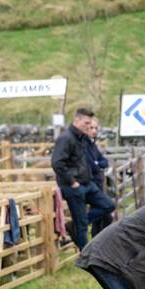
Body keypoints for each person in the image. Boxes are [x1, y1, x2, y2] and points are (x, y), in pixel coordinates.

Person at [50, 107, 115, 251]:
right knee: (82, 225)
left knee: (108, 205)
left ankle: (77, 225)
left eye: (90, 123)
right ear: (76, 120)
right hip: (72, 185)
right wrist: (72, 182)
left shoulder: (83, 139)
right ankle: (85, 254)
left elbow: (92, 159)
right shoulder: (65, 138)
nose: (88, 126)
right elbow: (57, 163)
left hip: (87, 183)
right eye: (86, 123)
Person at [85, 117, 112, 236]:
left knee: (102, 216)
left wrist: (99, 164)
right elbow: (92, 165)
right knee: (106, 211)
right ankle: (81, 224)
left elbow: (104, 161)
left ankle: (98, 242)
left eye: (96, 128)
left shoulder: (92, 145)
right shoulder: (83, 145)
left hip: (98, 183)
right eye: (91, 128)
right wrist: (98, 165)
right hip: (91, 183)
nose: (94, 131)